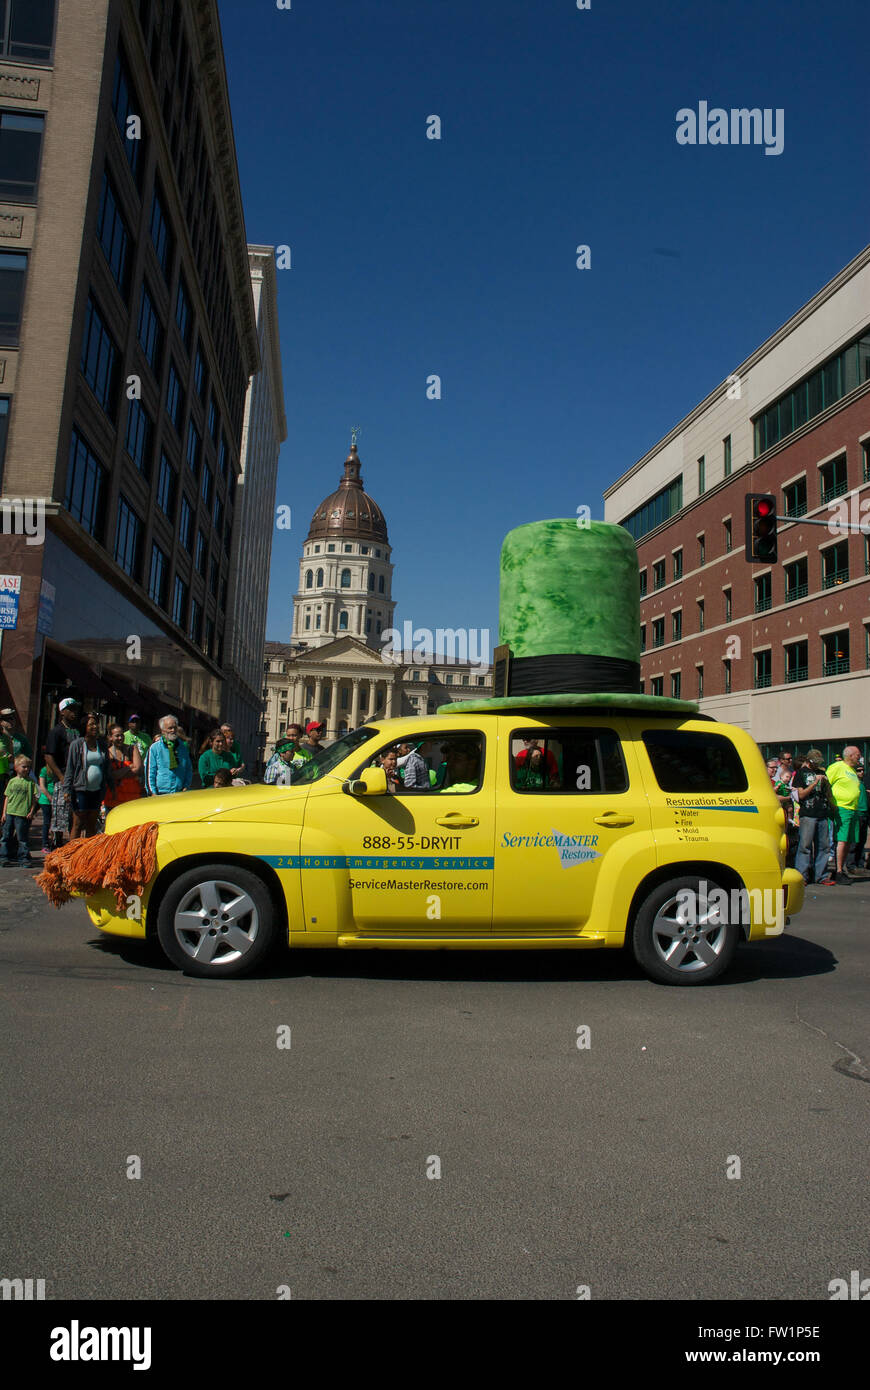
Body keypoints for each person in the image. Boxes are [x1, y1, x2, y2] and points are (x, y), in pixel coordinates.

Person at [826, 746, 870, 884]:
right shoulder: (838, 767)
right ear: (850, 755)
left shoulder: (851, 771)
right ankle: (838, 871)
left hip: (853, 809)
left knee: (849, 841)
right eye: (858, 755)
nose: (860, 757)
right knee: (842, 839)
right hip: (842, 808)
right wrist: (831, 803)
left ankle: (842, 868)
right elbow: (826, 783)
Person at [63, 712, 110, 839]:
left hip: (96, 790)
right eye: (91, 724)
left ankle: (87, 855)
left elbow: (106, 768)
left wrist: (110, 787)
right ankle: (72, 854)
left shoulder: (102, 745)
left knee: (91, 824)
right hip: (80, 790)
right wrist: (66, 790)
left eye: (96, 724)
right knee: (78, 823)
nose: (95, 727)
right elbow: (70, 769)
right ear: (84, 727)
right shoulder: (77, 745)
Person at [792, 749, 835, 886]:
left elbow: (828, 793)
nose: (817, 765)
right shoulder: (801, 773)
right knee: (805, 845)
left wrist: (832, 804)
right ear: (809, 761)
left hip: (822, 813)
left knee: (824, 846)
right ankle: (802, 875)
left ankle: (821, 875)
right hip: (808, 814)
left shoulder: (822, 772)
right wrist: (814, 783)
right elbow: (801, 795)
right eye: (814, 763)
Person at [44, 697, 82, 846]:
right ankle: (57, 845)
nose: (74, 712)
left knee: (75, 816)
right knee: (60, 815)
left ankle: (72, 847)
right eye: (70, 709)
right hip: (63, 780)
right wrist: (61, 777)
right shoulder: (56, 731)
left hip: (78, 779)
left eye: (75, 709)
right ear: (62, 711)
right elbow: (48, 756)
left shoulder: (78, 730)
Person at [1, 753, 36, 866]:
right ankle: (4, 857)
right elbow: (7, 797)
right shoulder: (12, 781)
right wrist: (4, 813)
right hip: (10, 812)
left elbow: (33, 798)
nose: (26, 769)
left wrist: (31, 811)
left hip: (23, 813)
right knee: (6, 836)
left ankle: (23, 858)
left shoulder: (30, 782)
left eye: (28, 767)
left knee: (22, 838)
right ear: (16, 768)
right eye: (24, 766)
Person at [145, 715, 193, 796]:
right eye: (170, 728)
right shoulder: (154, 748)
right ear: (163, 730)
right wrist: (152, 792)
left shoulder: (182, 747)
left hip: (179, 792)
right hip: (160, 793)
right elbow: (150, 772)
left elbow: (188, 769)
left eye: (175, 727)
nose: (173, 730)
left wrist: (186, 786)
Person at [104, 723, 144, 811]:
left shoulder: (132, 749)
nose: (120, 738)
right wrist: (129, 767)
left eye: (122, 735)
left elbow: (138, 769)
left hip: (132, 796)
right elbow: (110, 775)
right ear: (110, 737)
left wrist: (118, 774)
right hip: (113, 797)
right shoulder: (107, 753)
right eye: (117, 736)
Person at [845, 762, 869, 874]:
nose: (861, 772)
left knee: (862, 841)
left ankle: (860, 863)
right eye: (859, 770)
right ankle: (851, 865)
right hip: (857, 813)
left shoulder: (862, 783)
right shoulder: (852, 782)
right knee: (855, 840)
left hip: (864, 813)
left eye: (862, 770)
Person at [37, 762, 55, 853]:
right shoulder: (44, 770)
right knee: (47, 822)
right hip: (45, 800)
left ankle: (55, 842)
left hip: (57, 799)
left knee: (56, 822)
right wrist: (49, 797)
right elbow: (42, 786)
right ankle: (45, 844)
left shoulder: (59, 770)